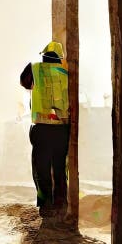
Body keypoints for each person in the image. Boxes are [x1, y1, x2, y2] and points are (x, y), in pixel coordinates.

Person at [20, 41, 70, 217]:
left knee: (41, 166)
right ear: (60, 59)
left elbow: (24, 82)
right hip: (61, 129)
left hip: (41, 128)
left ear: (43, 55)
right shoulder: (66, 74)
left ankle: (45, 202)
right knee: (59, 167)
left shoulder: (34, 68)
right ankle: (61, 202)